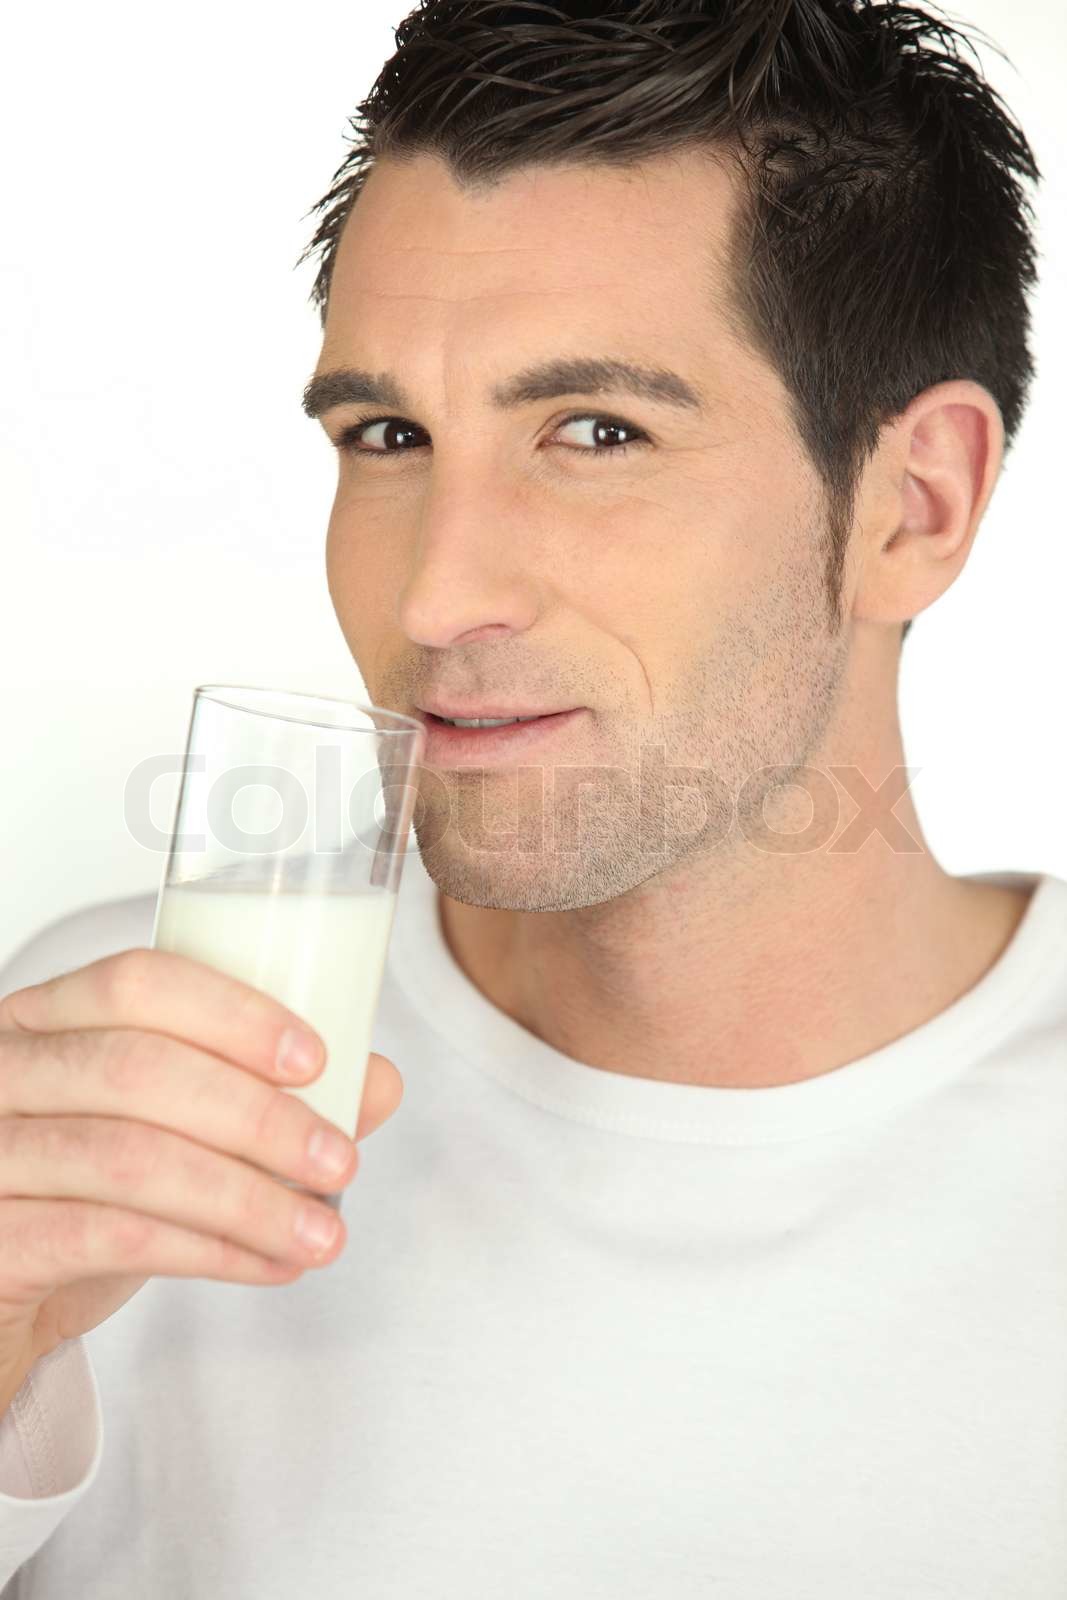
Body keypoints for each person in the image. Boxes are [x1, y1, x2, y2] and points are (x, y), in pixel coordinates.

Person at [1, 0, 1063, 1593]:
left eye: (595, 430)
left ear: (913, 506)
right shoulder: (105, 1086)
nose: (435, 595)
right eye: (390, 433)